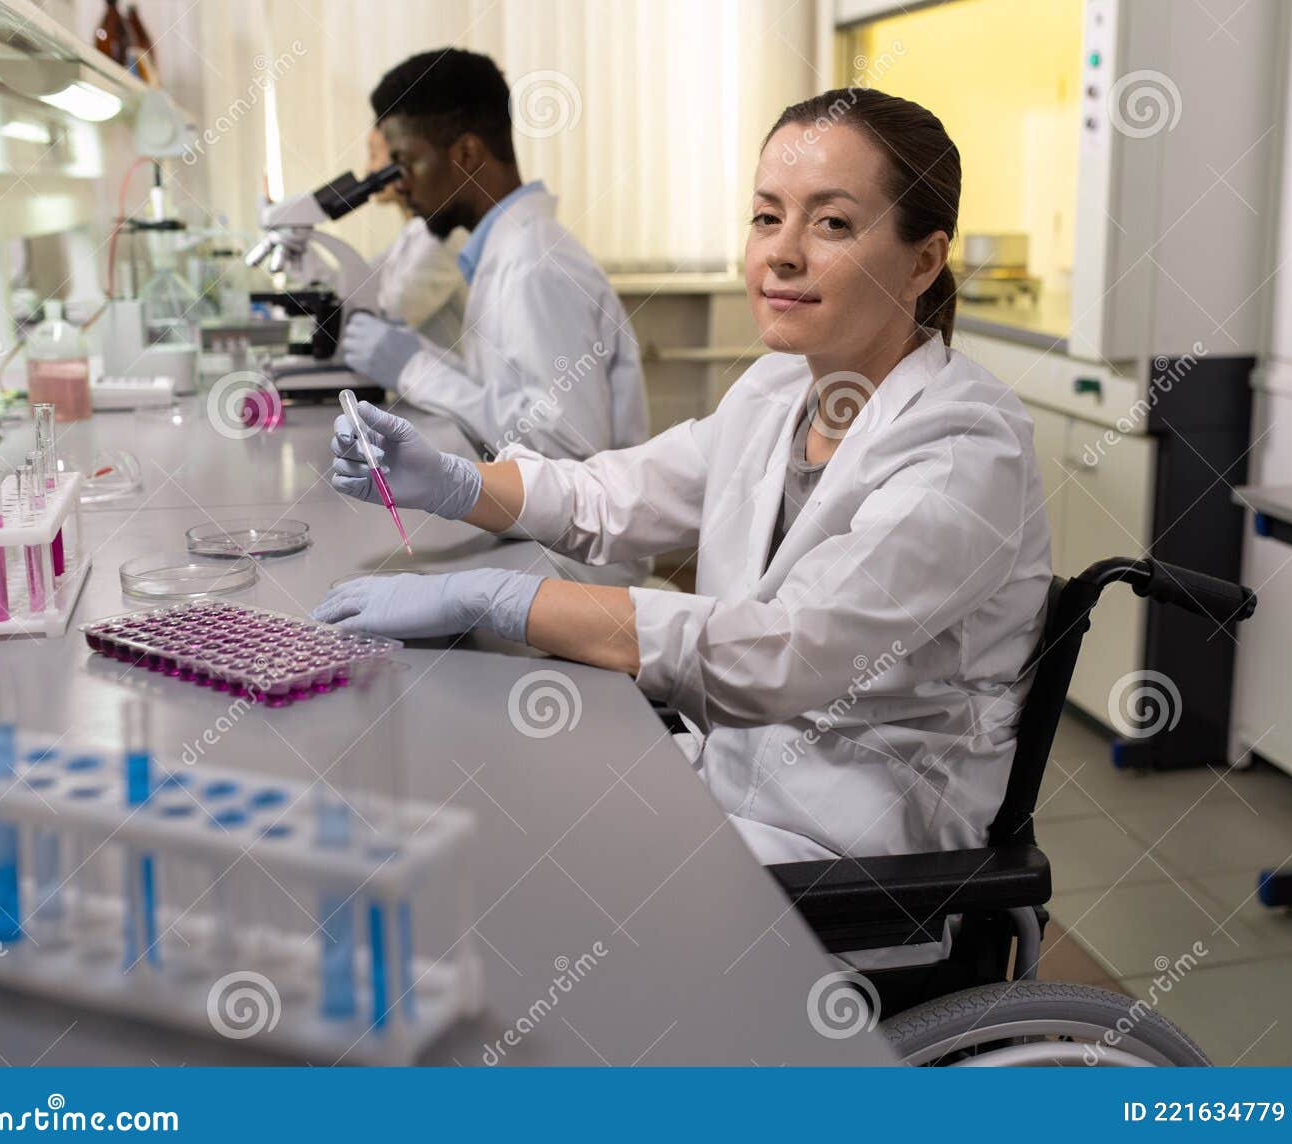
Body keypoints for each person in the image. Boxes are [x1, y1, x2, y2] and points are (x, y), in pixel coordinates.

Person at [319, 89, 1053, 865]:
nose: (783, 251)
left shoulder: (966, 448)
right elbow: (615, 494)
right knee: (471, 810)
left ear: (923, 260)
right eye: (767, 217)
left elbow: (784, 653)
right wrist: (456, 483)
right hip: (730, 785)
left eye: (832, 222)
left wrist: (502, 598)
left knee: (507, 876)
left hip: (852, 854)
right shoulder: (777, 394)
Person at [342, 49, 648, 461]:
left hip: (566, 524)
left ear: (466, 155)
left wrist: (416, 369)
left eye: (406, 162)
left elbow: (569, 446)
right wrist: (418, 353)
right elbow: (506, 397)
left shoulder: (534, 264)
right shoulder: (504, 253)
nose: (400, 185)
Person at [365, 126, 465, 351]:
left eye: (374, 155)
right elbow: (363, 282)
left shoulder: (445, 234)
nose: (368, 169)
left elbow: (392, 312)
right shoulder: (413, 231)